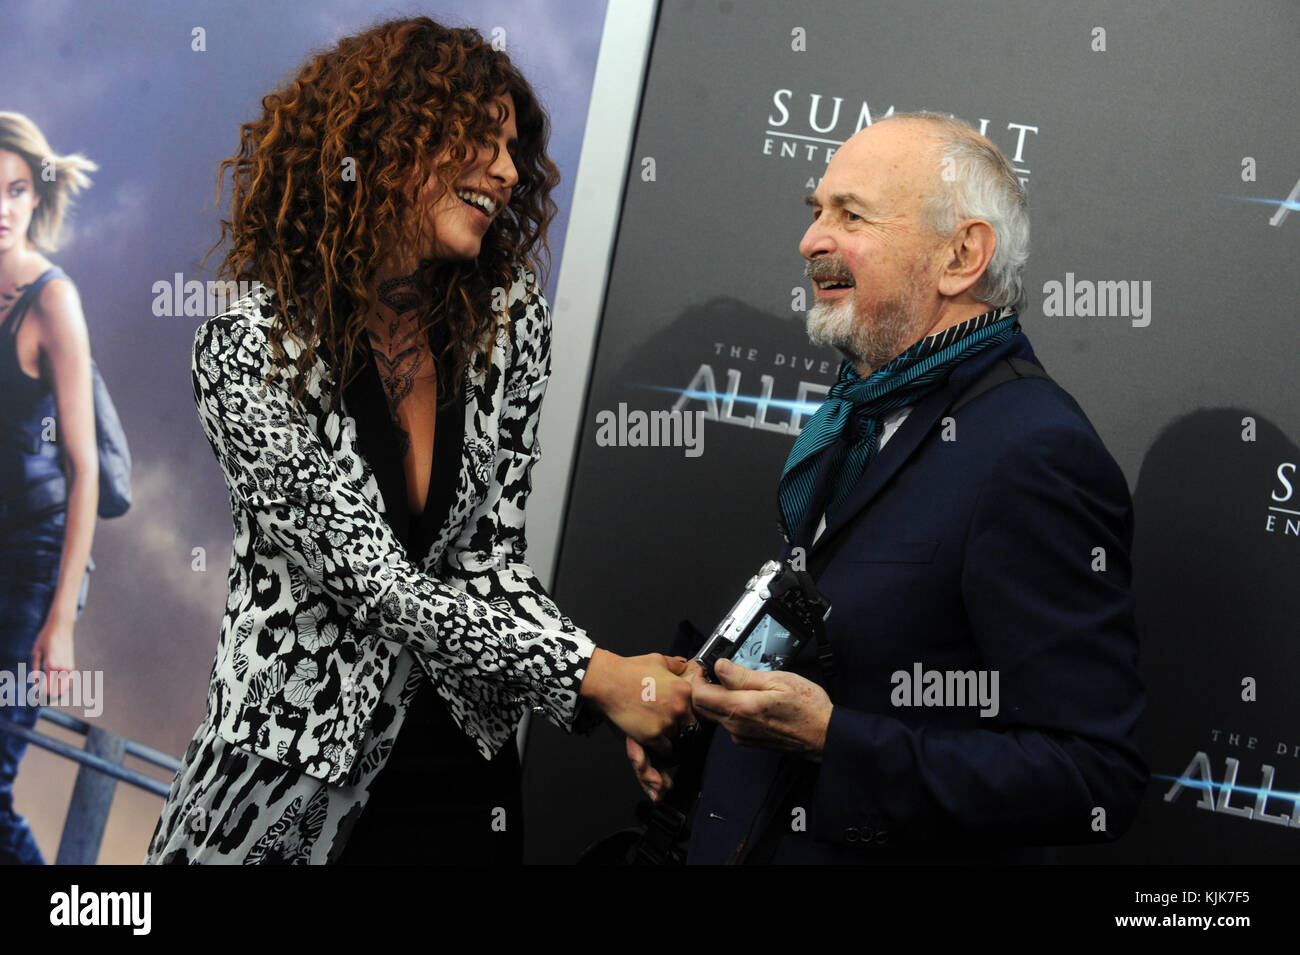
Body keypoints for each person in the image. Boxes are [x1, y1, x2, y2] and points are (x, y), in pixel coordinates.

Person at [145, 17, 692, 865]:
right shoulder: (246, 348)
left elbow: (489, 563)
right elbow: (378, 584)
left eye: (514, 151)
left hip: (460, 776)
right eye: (481, 139)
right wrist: (596, 676)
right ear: (385, 140)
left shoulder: (507, 329)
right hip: (285, 776)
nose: (509, 173)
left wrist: (621, 690)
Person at [628, 112, 1148, 863]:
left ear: (962, 255)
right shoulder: (858, 412)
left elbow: (1092, 775)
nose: (811, 241)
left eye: (851, 215)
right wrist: (699, 723)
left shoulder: (1037, 452)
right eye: (816, 211)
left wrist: (836, 740)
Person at [0, 112, 98, 865]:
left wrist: (60, 619)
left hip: (29, 562)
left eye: (16, 190)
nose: (2, 207)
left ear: (37, 196)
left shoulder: (52, 301)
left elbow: (84, 465)